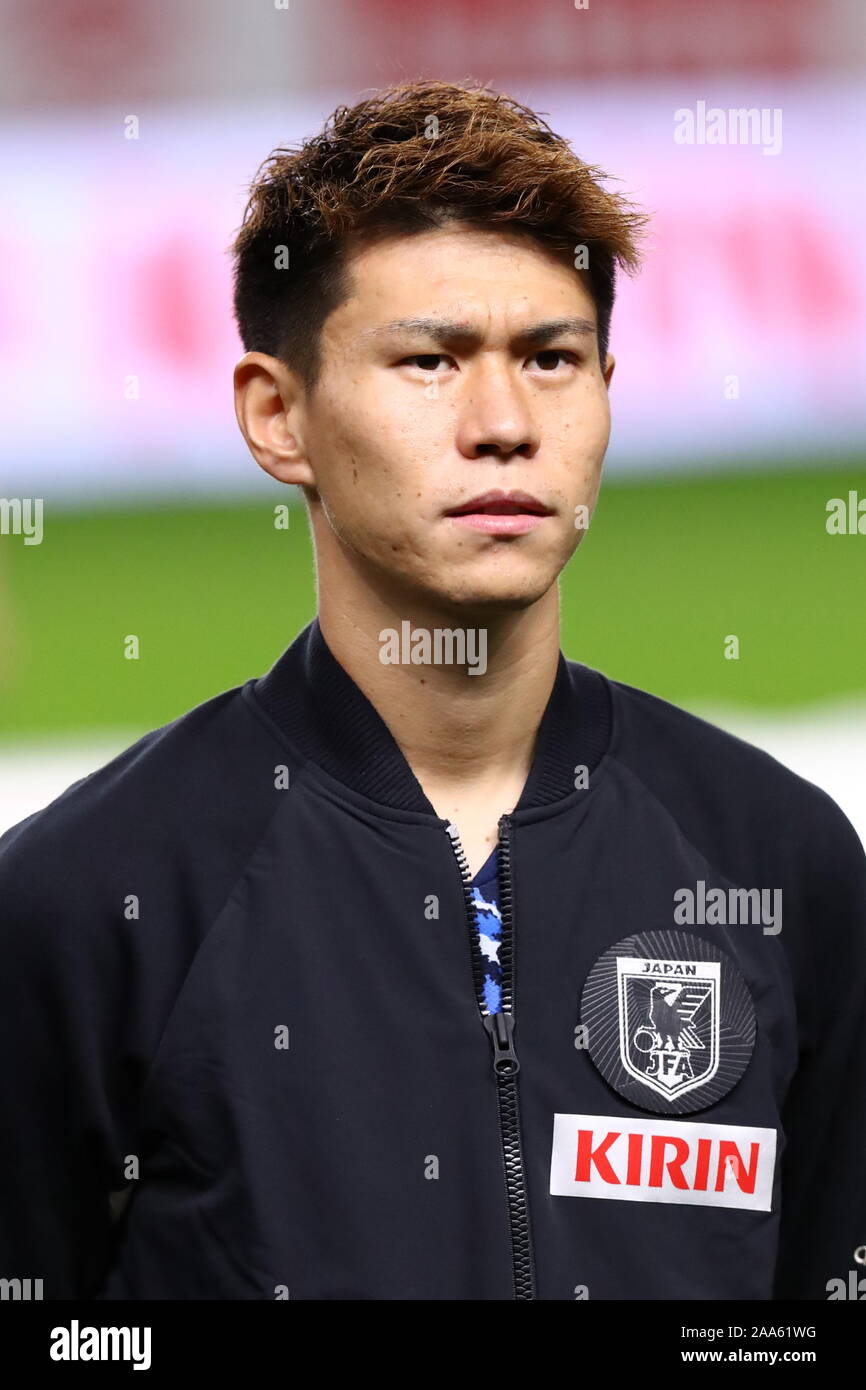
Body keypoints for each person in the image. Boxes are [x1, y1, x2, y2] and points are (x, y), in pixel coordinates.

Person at [1, 80, 864, 1302]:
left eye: (552, 359)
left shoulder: (778, 861)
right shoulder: (87, 900)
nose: (504, 422)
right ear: (277, 415)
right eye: (428, 361)